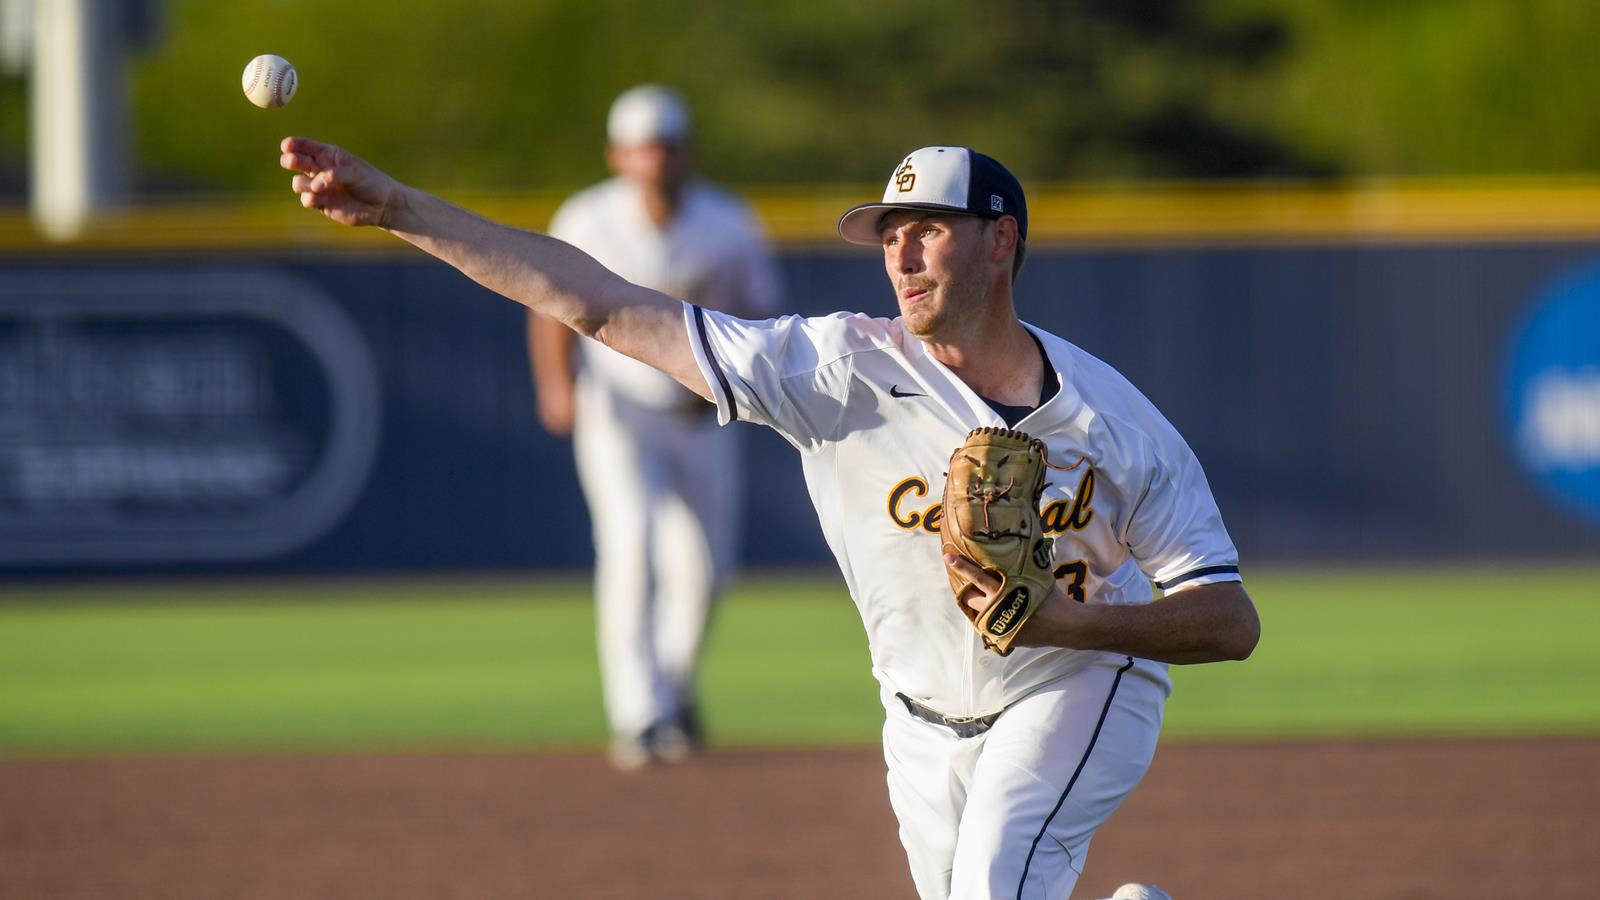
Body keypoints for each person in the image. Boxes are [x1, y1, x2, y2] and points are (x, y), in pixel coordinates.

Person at [281, 136, 1260, 900]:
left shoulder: (1114, 425)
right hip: (917, 716)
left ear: (1000, 241)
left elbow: (1228, 622)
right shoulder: (833, 371)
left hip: (1078, 683)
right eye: (887, 232)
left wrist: (1068, 624)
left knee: (995, 876)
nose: (901, 252)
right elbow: (600, 305)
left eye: (928, 227)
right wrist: (403, 210)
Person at [526, 85, 782, 769]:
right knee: (630, 546)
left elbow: (761, 313)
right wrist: (556, 384)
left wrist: (738, 388)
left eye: (666, 145)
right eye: (642, 146)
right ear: (617, 154)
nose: (655, 159)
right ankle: (638, 713)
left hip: (704, 409)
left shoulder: (728, 222)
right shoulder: (585, 216)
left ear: (686, 151)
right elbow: (547, 306)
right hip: (617, 407)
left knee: (705, 567)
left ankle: (670, 692)